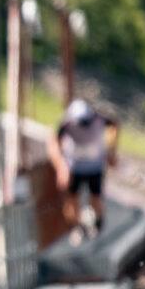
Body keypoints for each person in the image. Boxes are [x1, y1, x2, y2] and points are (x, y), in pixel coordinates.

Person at [47, 97, 119, 237]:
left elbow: (114, 126)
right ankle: (76, 227)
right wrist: (61, 167)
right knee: (72, 198)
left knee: (96, 197)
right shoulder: (66, 124)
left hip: (95, 167)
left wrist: (111, 151)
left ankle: (98, 224)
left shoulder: (100, 119)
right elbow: (53, 142)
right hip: (74, 167)